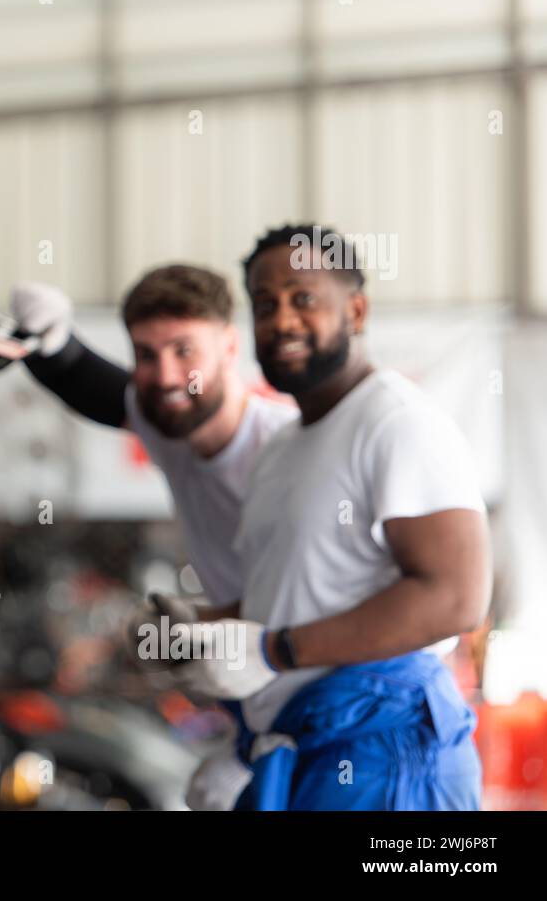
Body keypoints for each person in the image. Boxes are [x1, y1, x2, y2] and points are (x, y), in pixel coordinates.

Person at [178, 224, 490, 810]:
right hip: (303, 748)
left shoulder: (396, 423)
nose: (282, 321)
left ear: (356, 309)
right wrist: (187, 634)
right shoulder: (282, 448)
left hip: (385, 753)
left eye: (303, 299)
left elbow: (456, 597)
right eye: (265, 305)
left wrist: (276, 652)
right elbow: (293, 597)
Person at [12, 266, 296, 808]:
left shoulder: (284, 451)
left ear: (230, 346)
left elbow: (353, 602)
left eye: (185, 350)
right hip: (259, 708)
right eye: (146, 355)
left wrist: (256, 738)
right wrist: (51, 343)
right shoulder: (169, 421)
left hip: (338, 706)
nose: (166, 375)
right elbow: (96, 387)